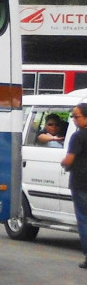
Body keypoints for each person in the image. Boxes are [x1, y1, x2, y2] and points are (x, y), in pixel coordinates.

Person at [61, 103, 87, 269]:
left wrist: (63, 164)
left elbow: (69, 160)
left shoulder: (78, 136)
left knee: (84, 219)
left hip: (81, 182)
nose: (74, 120)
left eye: (76, 116)